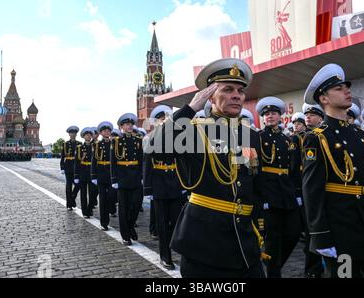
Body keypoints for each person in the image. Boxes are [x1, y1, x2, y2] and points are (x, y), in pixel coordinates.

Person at [162, 58, 267, 278]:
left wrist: (260, 228)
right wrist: (190, 109)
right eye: (227, 89)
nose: (236, 95)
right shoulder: (194, 132)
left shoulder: (250, 135)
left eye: (240, 90)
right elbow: (155, 148)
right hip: (204, 242)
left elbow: (253, 185)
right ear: (210, 96)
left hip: (244, 241)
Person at [302, 64, 364, 278]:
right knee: (346, 276)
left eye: (346, 86)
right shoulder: (317, 137)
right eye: (338, 88)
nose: (347, 90)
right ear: (324, 99)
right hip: (341, 229)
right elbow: (312, 191)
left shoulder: (360, 134)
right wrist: (320, 235)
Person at [256, 97, 302, 278]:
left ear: (280, 116)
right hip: (268, 191)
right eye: (266, 114)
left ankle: (272, 263)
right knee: (273, 238)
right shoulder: (257, 138)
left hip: (287, 190)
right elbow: (255, 169)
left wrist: (297, 192)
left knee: (294, 231)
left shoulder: (288, 139)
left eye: (273, 113)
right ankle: (274, 273)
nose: (270, 116)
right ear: (262, 117)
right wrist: (261, 197)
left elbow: (294, 169)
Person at [143, 105, 187, 270]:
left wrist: (184, 184)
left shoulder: (177, 137)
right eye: (162, 119)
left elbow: (182, 162)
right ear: (156, 122)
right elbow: (147, 164)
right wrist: (148, 189)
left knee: (177, 221)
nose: (165, 121)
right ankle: (165, 256)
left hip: (175, 182)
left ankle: (180, 252)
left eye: (167, 119)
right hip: (159, 184)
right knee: (162, 223)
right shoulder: (150, 138)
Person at [290, 111, 324, 278]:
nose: (297, 125)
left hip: (325, 189)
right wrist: (297, 191)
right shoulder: (298, 139)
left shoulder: (321, 135)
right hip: (306, 188)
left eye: (299, 122)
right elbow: (294, 166)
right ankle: (313, 269)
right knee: (312, 230)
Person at [111, 113, 143, 246]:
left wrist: (142, 176)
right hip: (122, 177)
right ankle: (125, 235)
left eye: (131, 124)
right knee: (123, 208)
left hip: (135, 176)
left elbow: (141, 160)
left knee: (136, 204)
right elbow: (113, 161)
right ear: (122, 126)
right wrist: (114, 179)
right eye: (127, 124)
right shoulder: (116, 141)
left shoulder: (138, 140)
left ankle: (130, 226)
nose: (130, 126)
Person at [91, 122, 114, 231]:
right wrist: (94, 176)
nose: (107, 132)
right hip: (101, 173)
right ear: (100, 133)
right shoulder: (96, 145)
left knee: (111, 196)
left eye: (108, 131)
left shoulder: (114, 144)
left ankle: (110, 211)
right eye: (104, 131)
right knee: (103, 198)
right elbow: (94, 161)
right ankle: (104, 222)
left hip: (111, 174)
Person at [60, 126, 81, 211]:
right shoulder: (65, 144)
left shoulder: (80, 144)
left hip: (77, 167)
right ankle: (69, 204)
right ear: (69, 134)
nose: (73, 134)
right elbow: (62, 157)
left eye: (74, 133)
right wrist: (62, 167)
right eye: (71, 133)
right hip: (68, 166)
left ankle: (72, 198)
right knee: (68, 186)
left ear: (76, 134)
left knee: (78, 185)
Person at [74, 128, 94, 218]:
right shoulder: (79, 148)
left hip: (92, 171)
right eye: (87, 135)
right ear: (83, 136)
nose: (88, 136)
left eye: (90, 135)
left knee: (92, 192)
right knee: (83, 193)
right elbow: (77, 163)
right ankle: (85, 212)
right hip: (83, 171)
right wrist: (76, 175)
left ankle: (90, 209)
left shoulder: (95, 146)